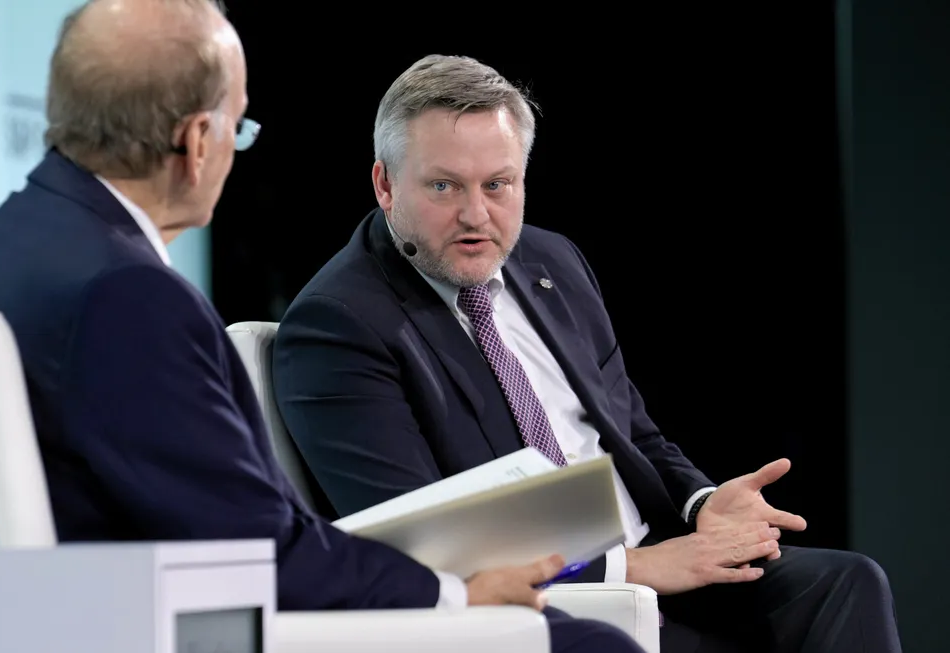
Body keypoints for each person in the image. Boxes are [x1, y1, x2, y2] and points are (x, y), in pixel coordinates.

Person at [0, 3, 642, 651]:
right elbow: (258, 552)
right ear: (199, 142)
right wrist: (456, 593)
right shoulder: (132, 296)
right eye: (240, 127)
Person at [272, 54, 902, 653]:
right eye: (444, 186)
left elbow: (635, 433)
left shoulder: (552, 261)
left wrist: (701, 503)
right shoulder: (338, 325)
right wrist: (631, 568)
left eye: (499, 184)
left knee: (850, 582)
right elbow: (421, 544)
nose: (476, 215)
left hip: (659, 553)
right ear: (385, 184)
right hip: (546, 601)